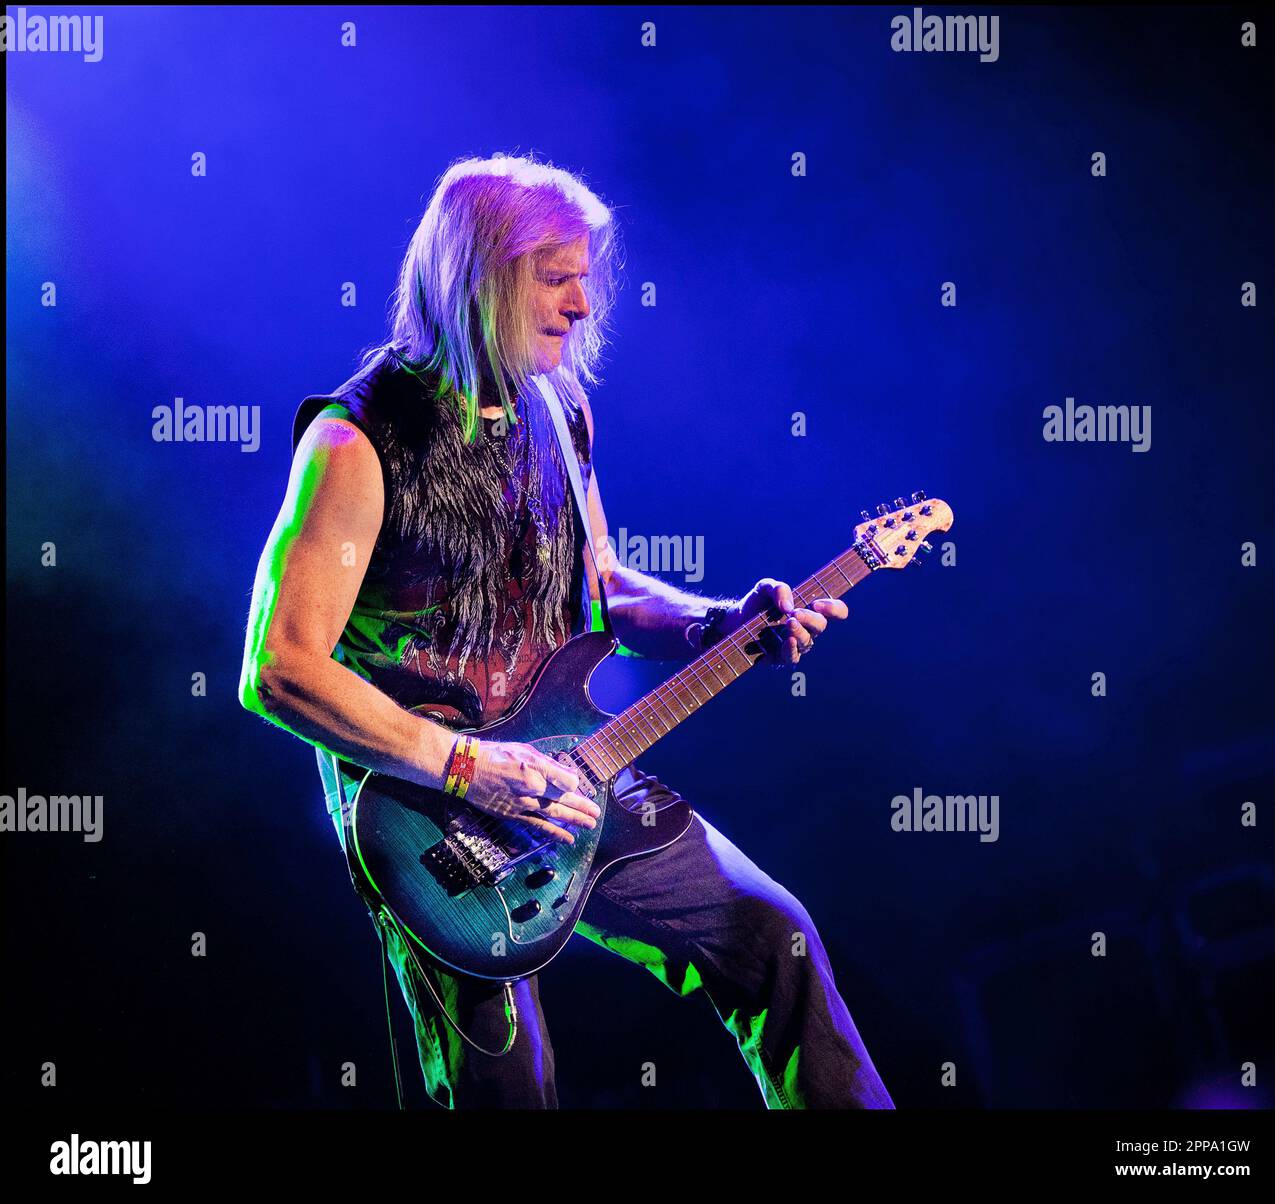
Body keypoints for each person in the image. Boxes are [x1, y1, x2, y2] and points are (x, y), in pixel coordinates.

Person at [238, 153, 894, 1109]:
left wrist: (719, 619)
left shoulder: (559, 410)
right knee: (508, 1081)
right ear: (482, 276)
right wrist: (468, 768)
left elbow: (595, 585)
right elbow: (279, 668)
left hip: (571, 763)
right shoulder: (356, 441)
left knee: (772, 934)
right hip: (430, 818)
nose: (584, 305)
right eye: (557, 278)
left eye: (588, 278)